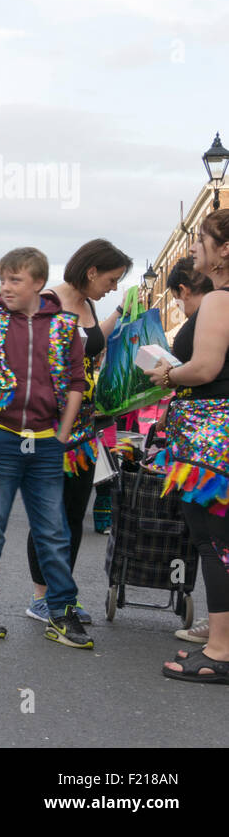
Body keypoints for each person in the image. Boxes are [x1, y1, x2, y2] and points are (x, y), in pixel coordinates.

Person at [0, 246, 91, 648]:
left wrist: (63, 431)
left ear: (38, 283)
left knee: (54, 533)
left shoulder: (65, 325)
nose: (5, 287)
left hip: (46, 443)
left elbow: (77, 382)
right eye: (3, 279)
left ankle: (61, 612)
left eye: (14, 279)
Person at [24, 239, 130, 624]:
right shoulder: (46, 302)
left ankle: (62, 595)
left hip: (84, 430)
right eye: (111, 280)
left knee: (72, 514)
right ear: (91, 271)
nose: (113, 287)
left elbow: (93, 340)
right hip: (46, 427)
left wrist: (121, 311)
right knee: (47, 515)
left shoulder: (88, 305)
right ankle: (41, 597)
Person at [145, 211, 229, 682]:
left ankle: (220, 652)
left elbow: (206, 368)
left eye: (201, 239)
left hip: (212, 439)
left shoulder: (219, 299)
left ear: (224, 250)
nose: (193, 247)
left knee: (214, 541)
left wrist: (168, 375)